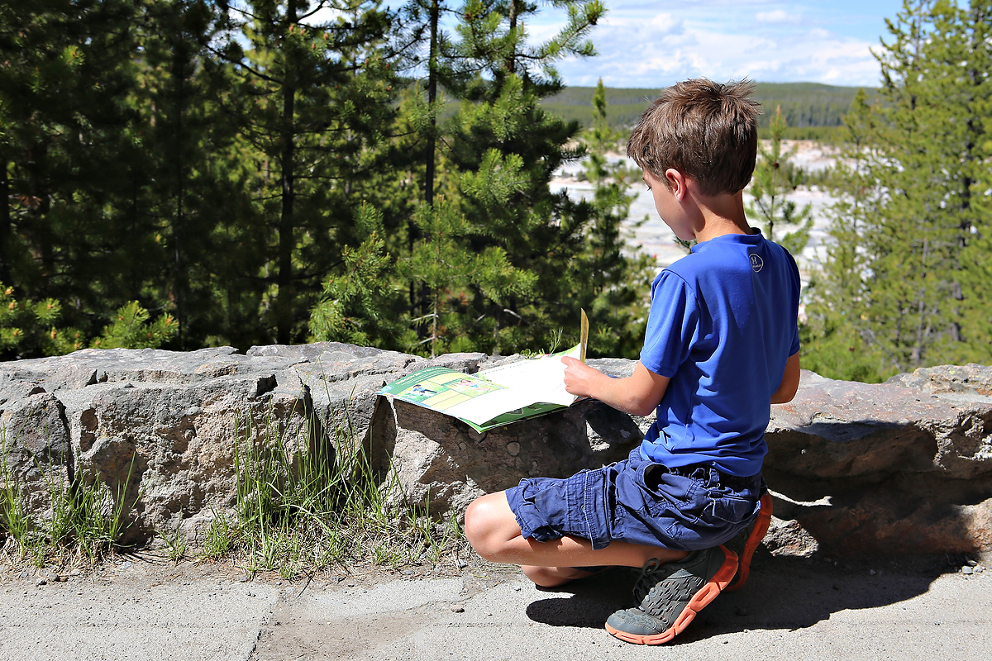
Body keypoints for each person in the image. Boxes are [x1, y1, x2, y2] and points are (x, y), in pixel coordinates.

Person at [462, 78, 801, 645]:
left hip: (678, 489)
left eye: (652, 189)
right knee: (541, 568)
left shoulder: (686, 277)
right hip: (737, 488)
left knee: (483, 527)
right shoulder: (779, 264)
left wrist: (588, 379)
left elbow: (642, 397)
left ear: (676, 182)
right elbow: (783, 386)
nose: (657, 202)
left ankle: (687, 553)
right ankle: (704, 544)